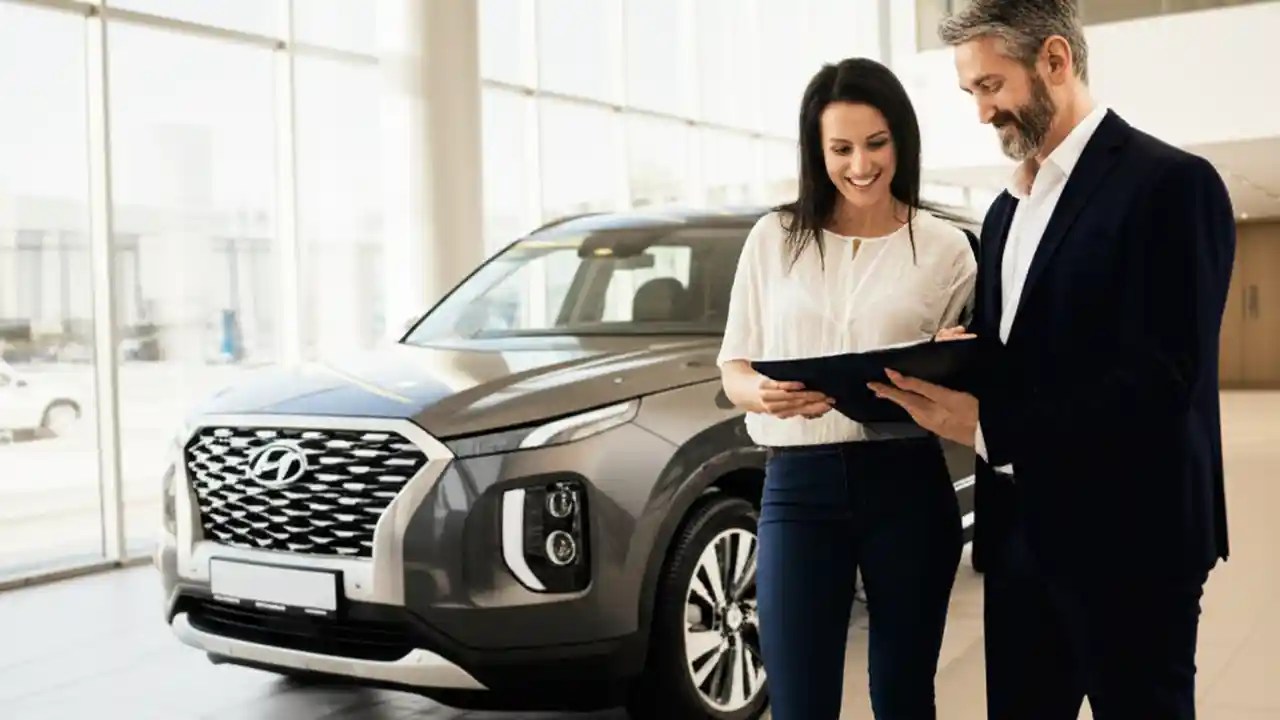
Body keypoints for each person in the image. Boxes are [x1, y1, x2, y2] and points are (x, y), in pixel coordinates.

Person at [868, 2, 1235, 718]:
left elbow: (1161, 381)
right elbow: (1030, 352)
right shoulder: (1008, 211)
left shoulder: (1172, 186)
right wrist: (958, 361)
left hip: (1133, 543)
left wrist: (991, 425)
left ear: (1056, 61)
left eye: (990, 86)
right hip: (1021, 541)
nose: (982, 112)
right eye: (971, 92)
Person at [718, 57, 977, 720]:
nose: (860, 165)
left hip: (907, 481)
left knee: (902, 695)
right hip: (797, 489)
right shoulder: (774, 238)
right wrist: (760, 394)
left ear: (902, 142)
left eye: (876, 144)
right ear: (817, 151)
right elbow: (734, 365)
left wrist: (954, 360)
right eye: (841, 149)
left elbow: (966, 374)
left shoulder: (944, 248)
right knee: (800, 702)